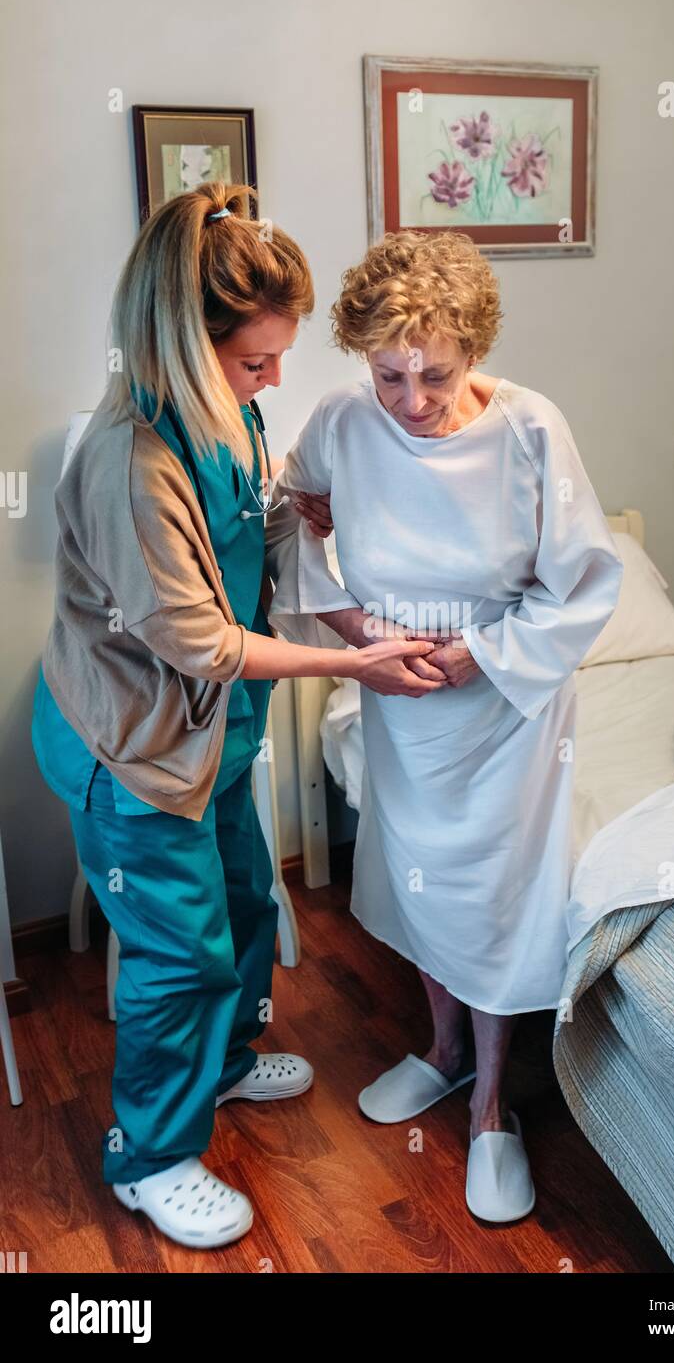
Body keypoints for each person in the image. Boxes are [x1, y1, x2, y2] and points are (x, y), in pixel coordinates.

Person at [30, 185, 440, 1250]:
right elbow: (200, 641)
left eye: (278, 358)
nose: (272, 380)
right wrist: (355, 661)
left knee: (246, 904)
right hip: (136, 746)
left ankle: (221, 1066)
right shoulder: (131, 458)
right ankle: (150, 1156)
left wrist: (294, 503)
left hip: (216, 727)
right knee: (178, 956)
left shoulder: (229, 411)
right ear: (182, 338)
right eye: (255, 361)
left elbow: (244, 517)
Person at [269, 229, 625, 1223]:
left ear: (472, 350)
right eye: (390, 375)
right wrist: (352, 629)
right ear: (361, 355)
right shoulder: (342, 420)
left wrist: (478, 654)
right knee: (419, 878)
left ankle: (488, 1105)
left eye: (436, 374)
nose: (413, 401)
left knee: (494, 895)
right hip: (398, 700)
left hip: (506, 701)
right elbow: (288, 519)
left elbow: (586, 582)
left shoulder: (529, 430)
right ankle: (438, 1049)